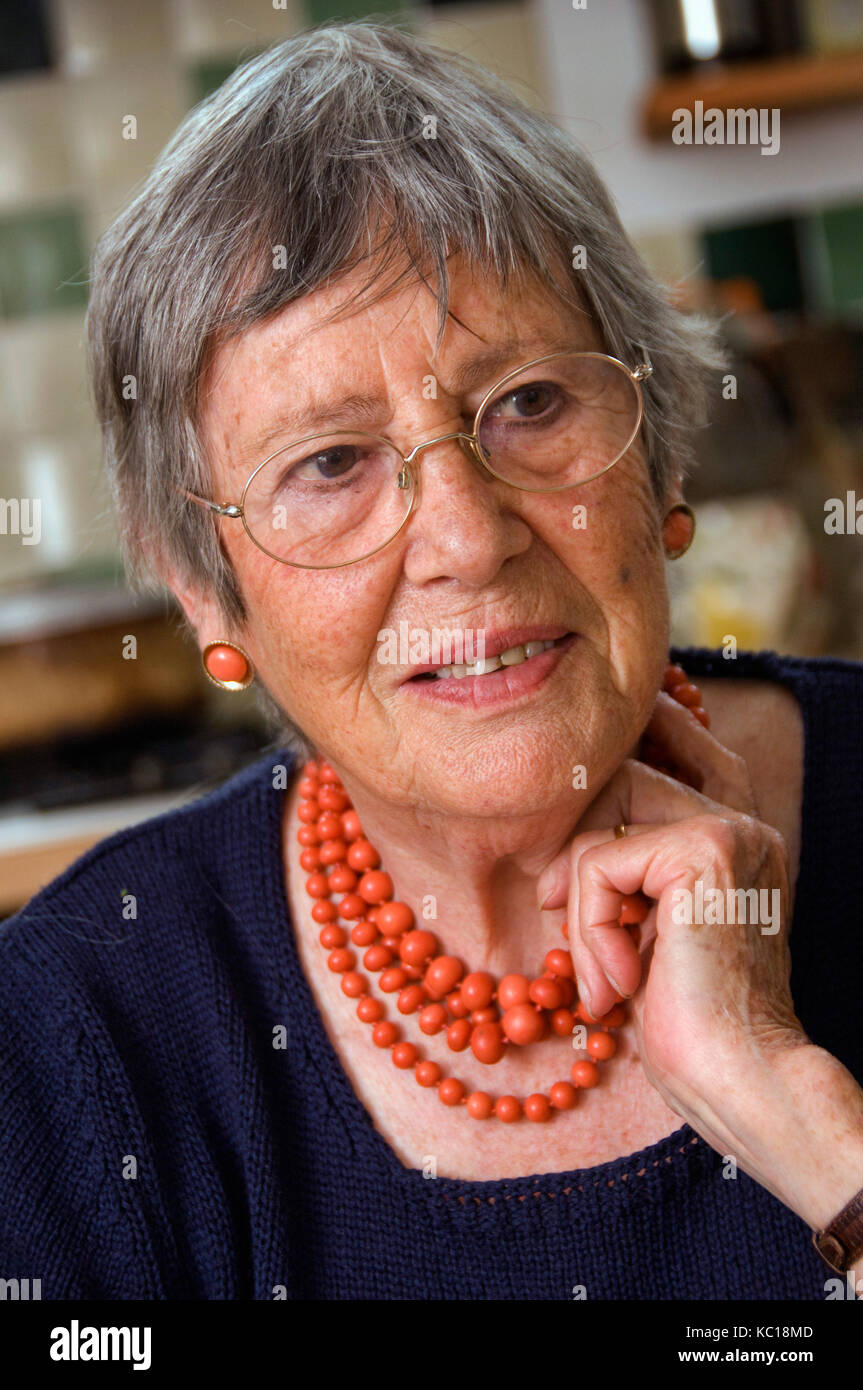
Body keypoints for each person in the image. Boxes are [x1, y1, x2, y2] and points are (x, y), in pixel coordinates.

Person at [1, 21, 862, 1301]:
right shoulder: (82, 1035)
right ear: (206, 592)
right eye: (330, 465)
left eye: (526, 403)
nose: (464, 536)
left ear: (659, 456)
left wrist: (801, 1121)